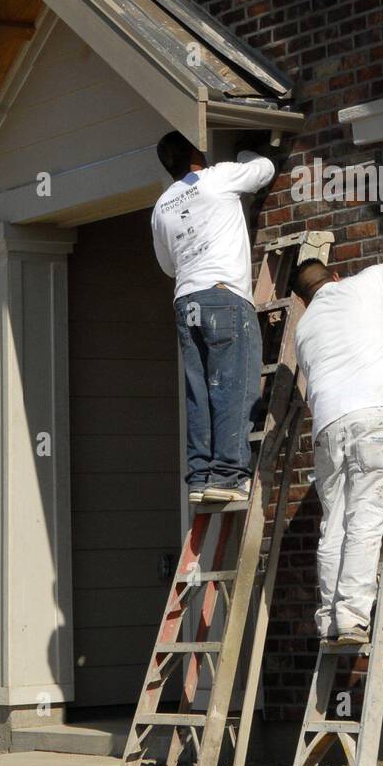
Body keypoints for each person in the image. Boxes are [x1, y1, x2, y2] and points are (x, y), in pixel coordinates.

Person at [293, 252, 383, 644]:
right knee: (366, 515)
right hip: (372, 416)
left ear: (302, 299)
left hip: (329, 425)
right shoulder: (367, 282)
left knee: (334, 523)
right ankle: (352, 618)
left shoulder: (304, 329)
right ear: (337, 274)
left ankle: (330, 619)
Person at [152, 131, 274, 504]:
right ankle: (228, 475)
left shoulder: (161, 207)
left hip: (186, 300)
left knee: (200, 391)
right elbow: (264, 169)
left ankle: (201, 476)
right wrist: (244, 151)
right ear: (194, 154)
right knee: (234, 385)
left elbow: (167, 266)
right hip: (223, 297)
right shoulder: (218, 177)